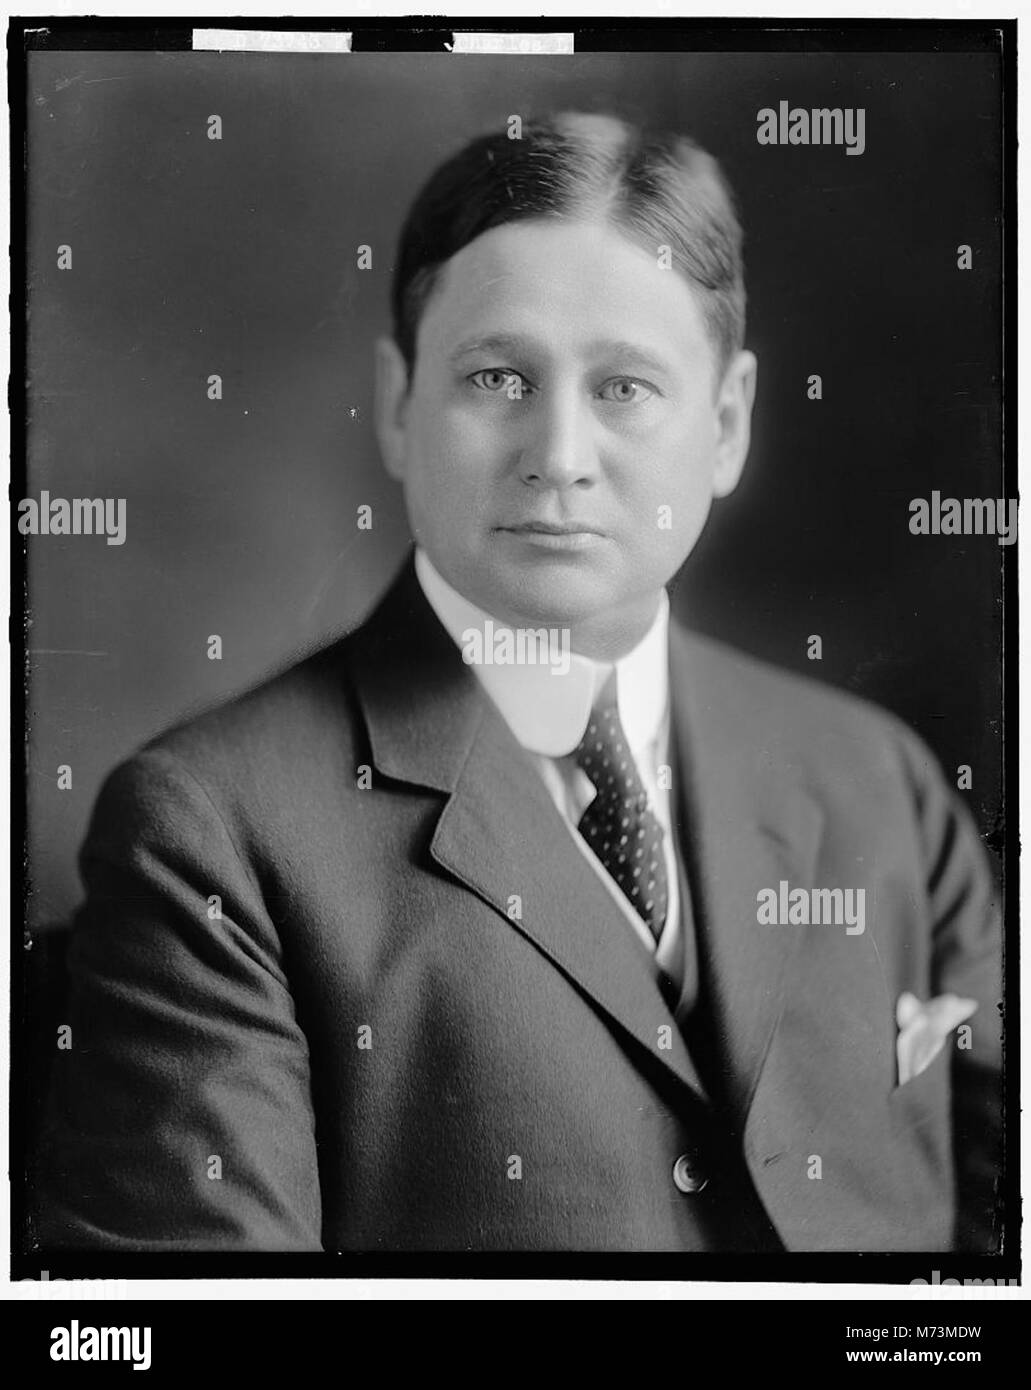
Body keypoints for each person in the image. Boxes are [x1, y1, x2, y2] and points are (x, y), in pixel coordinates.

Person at [39, 112, 1002, 1254]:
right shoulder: (209, 833)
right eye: (496, 375)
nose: (559, 452)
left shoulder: (875, 778)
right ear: (400, 406)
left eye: (625, 387)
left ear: (729, 423)